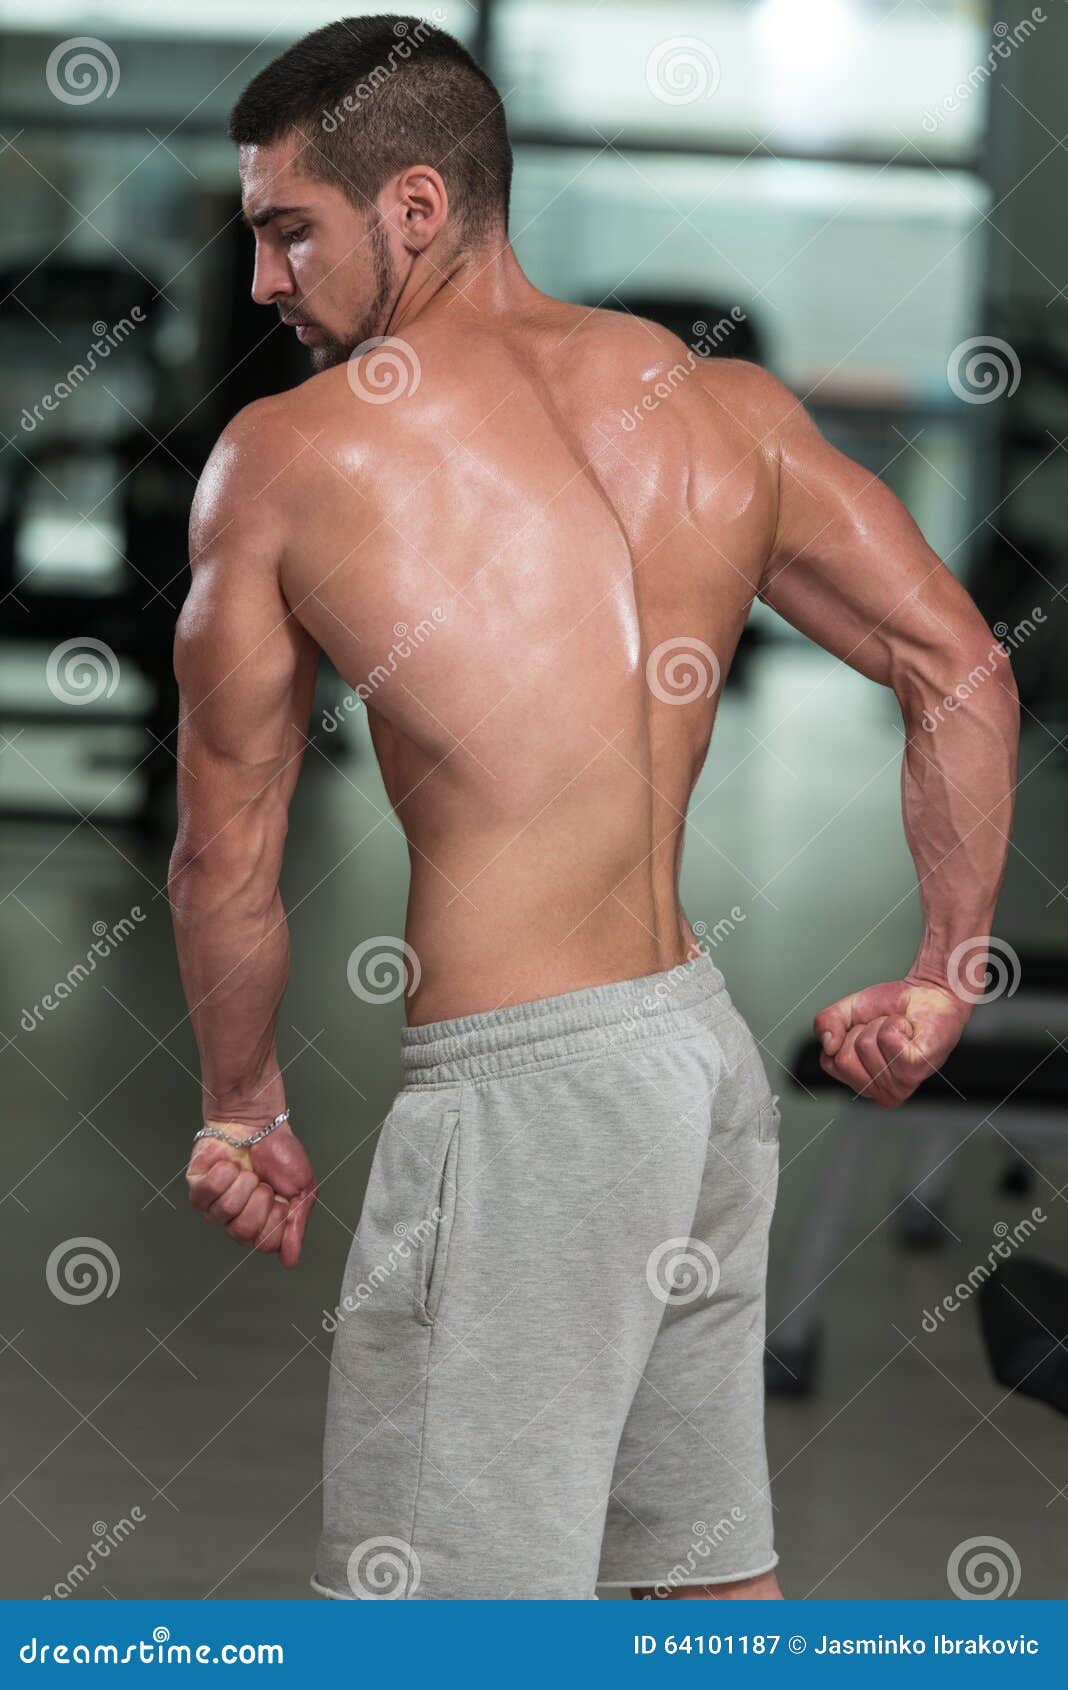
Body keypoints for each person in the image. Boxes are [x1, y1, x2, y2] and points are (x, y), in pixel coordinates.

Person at [168, 15, 1020, 1601]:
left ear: (415, 206)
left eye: (290, 230)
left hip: (524, 1108)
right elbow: (961, 666)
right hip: (691, 1064)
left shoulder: (285, 459)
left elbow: (226, 844)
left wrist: (243, 1102)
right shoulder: (717, 405)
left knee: (440, 1628)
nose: (266, 280)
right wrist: (942, 970)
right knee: (700, 1596)